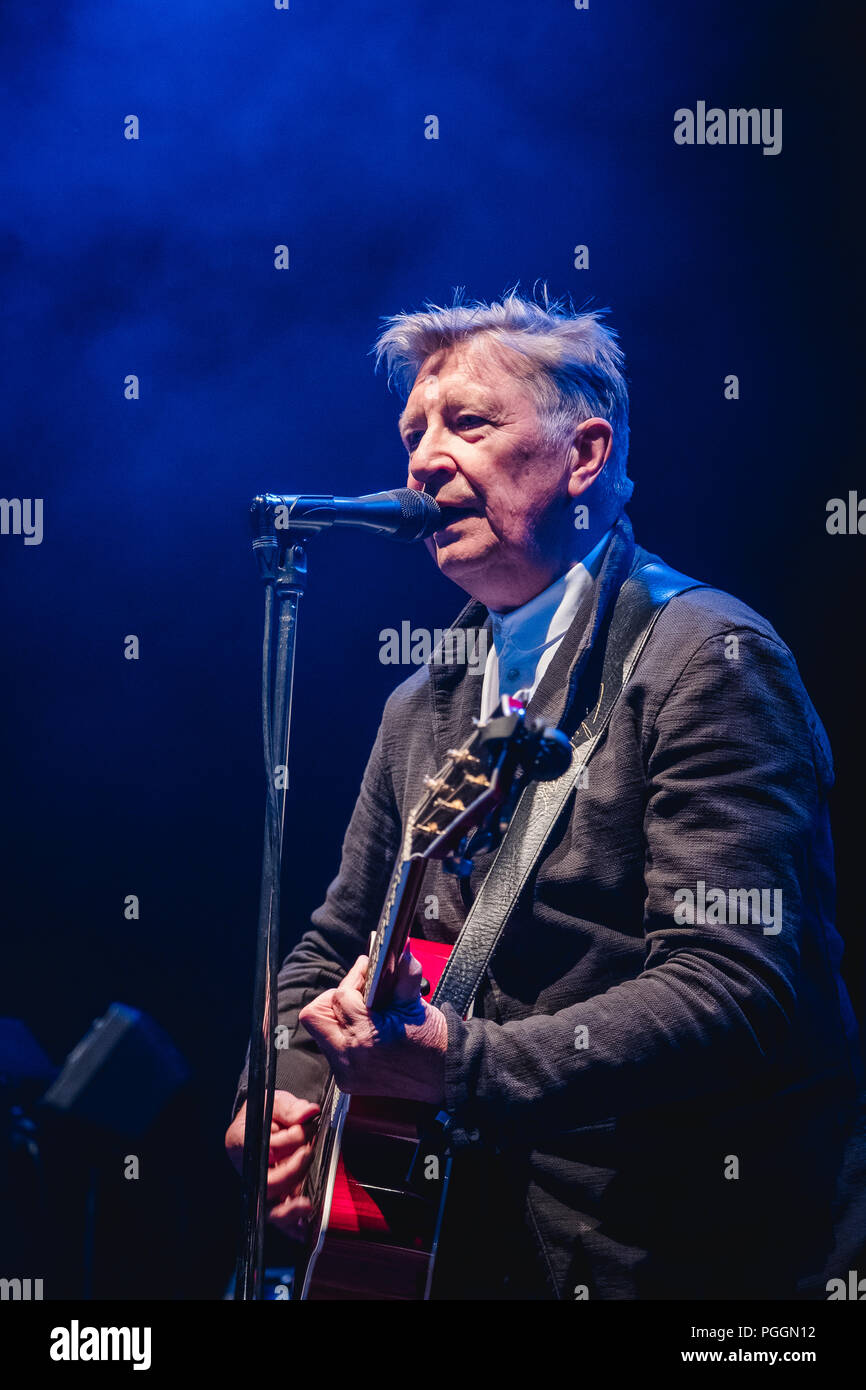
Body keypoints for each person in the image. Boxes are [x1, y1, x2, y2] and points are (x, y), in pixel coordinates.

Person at [226, 289, 862, 1299]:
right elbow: (331, 943)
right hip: (467, 1245)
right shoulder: (421, 703)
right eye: (414, 433)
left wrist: (464, 1066)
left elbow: (733, 986)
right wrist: (285, 1097)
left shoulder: (706, 659)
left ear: (584, 456)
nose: (425, 460)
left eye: (468, 422)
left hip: (679, 1254)